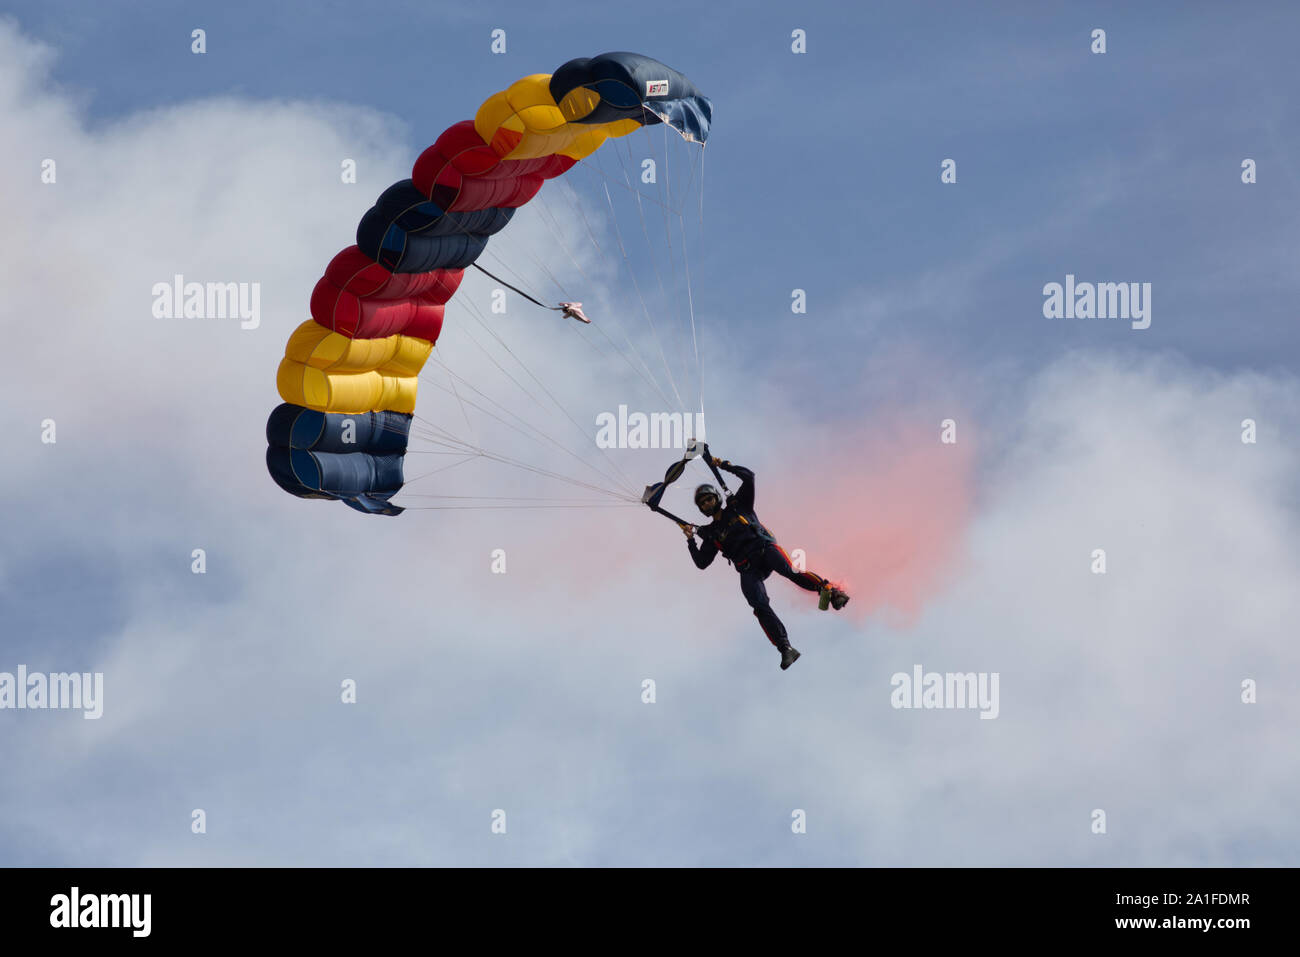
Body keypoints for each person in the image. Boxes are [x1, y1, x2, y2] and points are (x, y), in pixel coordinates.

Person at [684, 457, 849, 670]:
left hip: (765, 549)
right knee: (757, 604)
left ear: (717, 497)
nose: (706, 503)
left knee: (790, 570)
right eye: (702, 503)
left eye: (708, 499)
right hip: (748, 568)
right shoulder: (710, 533)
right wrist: (690, 540)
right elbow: (701, 563)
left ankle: (830, 590)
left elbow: (748, 477)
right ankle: (786, 648)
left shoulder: (738, 506)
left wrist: (723, 465)